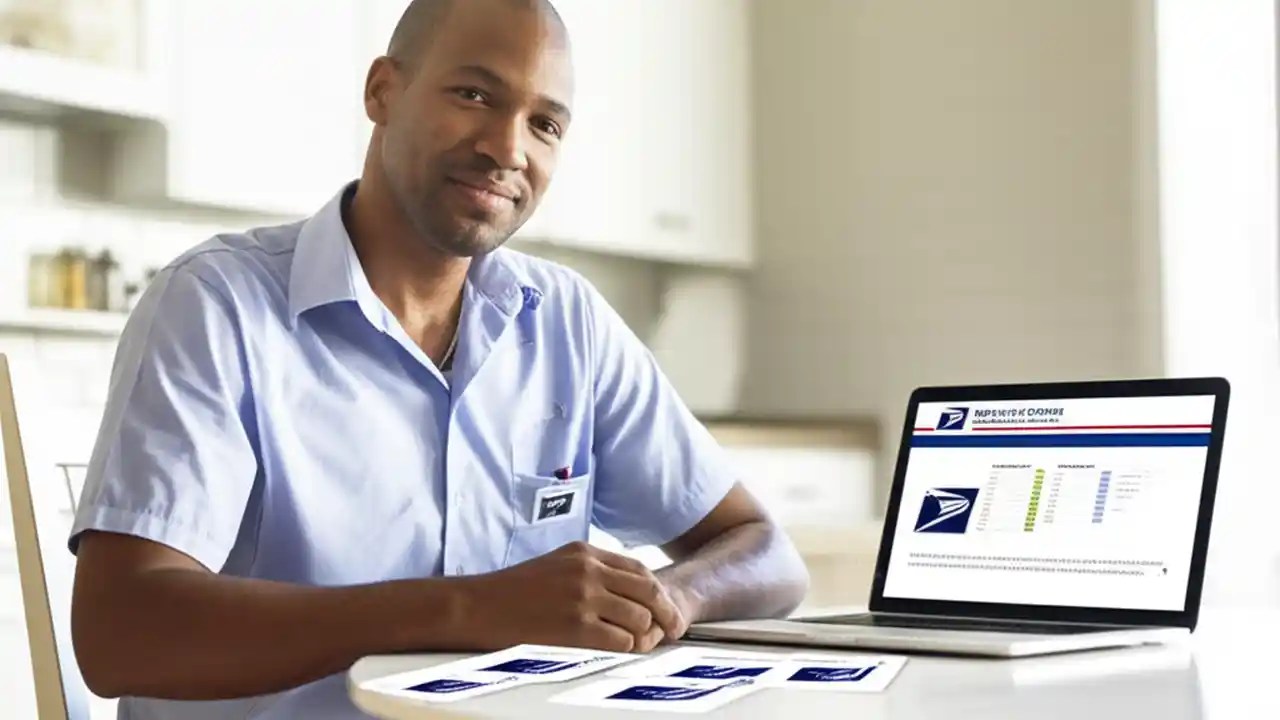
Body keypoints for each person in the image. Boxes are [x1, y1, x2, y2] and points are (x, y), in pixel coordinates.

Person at [67, 0, 809, 717]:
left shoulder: (568, 323)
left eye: (544, 124)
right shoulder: (217, 304)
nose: (508, 149)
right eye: (474, 95)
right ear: (383, 92)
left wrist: (665, 598)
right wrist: (470, 608)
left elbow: (766, 553)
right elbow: (121, 634)